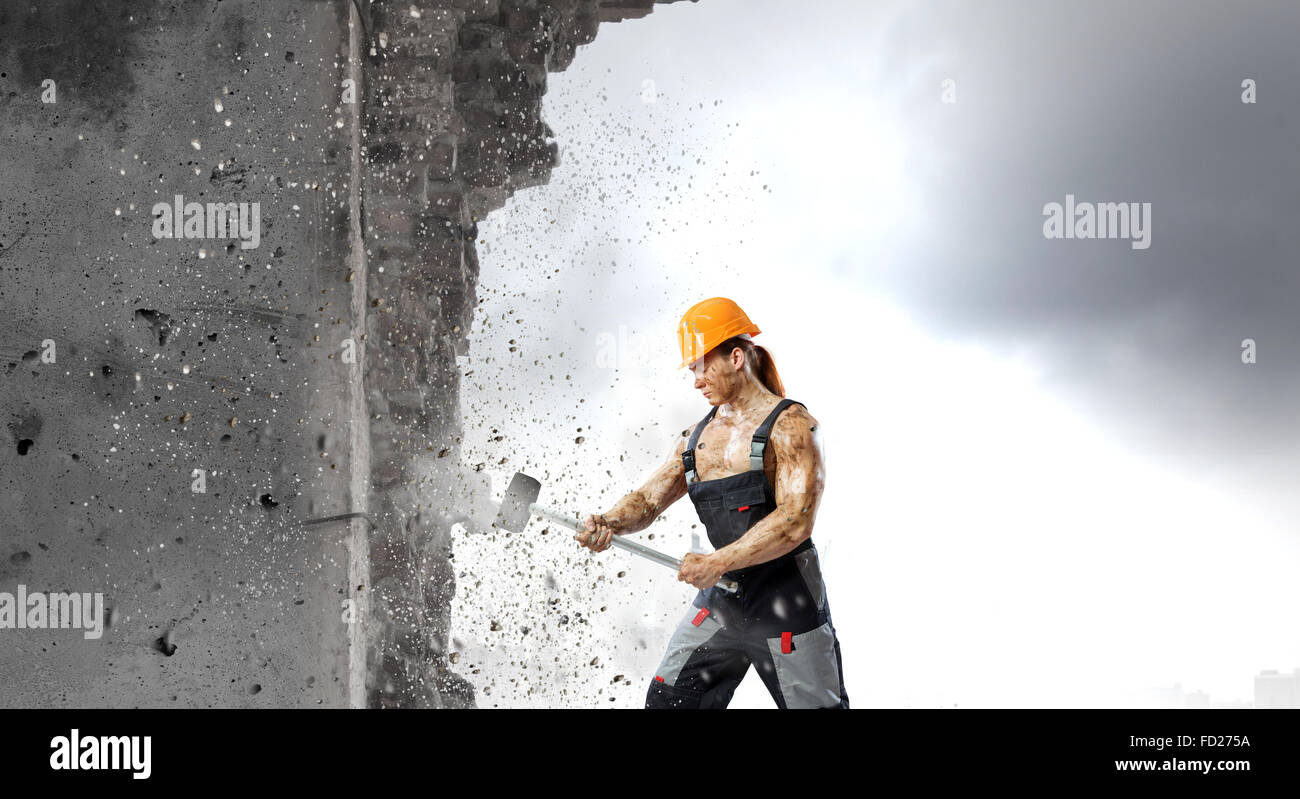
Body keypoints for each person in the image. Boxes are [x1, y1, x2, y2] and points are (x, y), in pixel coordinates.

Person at [577, 297, 849, 708]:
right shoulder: (695, 439)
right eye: (692, 371)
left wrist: (718, 561)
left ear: (736, 357)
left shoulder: (792, 426)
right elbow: (647, 501)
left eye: (701, 366)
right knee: (669, 700)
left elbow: (796, 521)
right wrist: (609, 522)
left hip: (786, 597)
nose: (696, 380)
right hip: (724, 597)